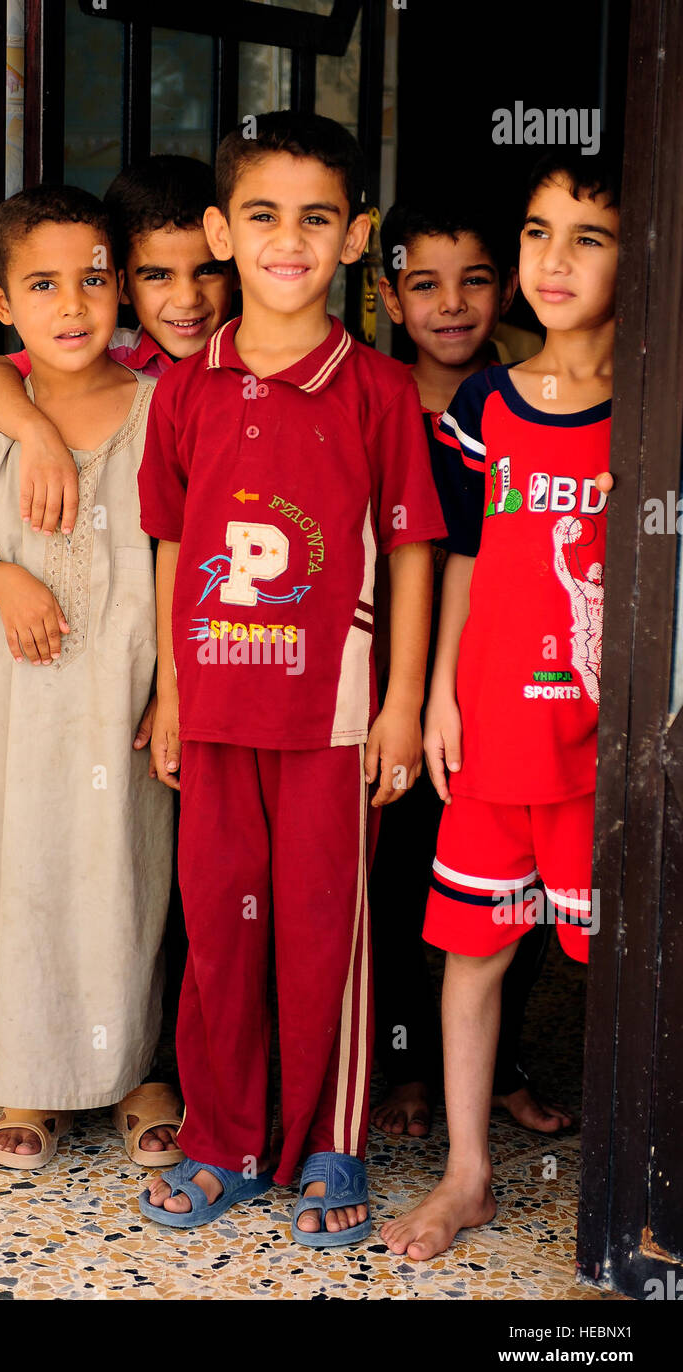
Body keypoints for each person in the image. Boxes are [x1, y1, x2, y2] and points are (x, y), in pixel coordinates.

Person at [136, 111, 445, 1247]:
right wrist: (172, 687)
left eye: (318, 216)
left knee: (326, 925)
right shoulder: (187, 387)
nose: (289, 239)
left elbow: (412, 548)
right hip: (214, 706)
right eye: (262, 214)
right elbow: (172, 543)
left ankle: (329, 1139)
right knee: (221, 921)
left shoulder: (376, 388)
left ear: (355, 236)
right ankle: (225, 1137)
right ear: (222, 230)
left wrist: (402, 701)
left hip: (334, 713)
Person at [381, 153, 619, 1260]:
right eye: (538, 232)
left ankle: (630, 1180)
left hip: (601, 750)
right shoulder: (488, 400)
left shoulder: (654, 404)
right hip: (490, 728)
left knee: (613, 962)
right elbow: (466, 553)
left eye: (588, 237)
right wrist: (437, 695)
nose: (553, 260)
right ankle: (469, 1175)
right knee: (473, 952)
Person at [0, 185, 175, 1170]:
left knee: (132, 880)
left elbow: (182, 558)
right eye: (43, 285)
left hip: (130, 705)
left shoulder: (160, 411)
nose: (72, 305)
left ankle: (138, 1074)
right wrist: (8, 580)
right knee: (33, 876)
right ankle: (30, 1072)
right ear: (1, 301)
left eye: (93, 280)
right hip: (30, 712)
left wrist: (175, 688)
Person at [370, 203, 571, 1141]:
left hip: (497, 693)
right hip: (384, 680)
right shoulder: (368, 391)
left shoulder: (528, 394)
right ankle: (407, 1062)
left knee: (509, 893)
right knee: (406, 873)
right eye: (424, 284)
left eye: (476, 280)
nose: (452, 305)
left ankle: (502, 1064)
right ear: (386, 295)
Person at [0, 156, 235, 538]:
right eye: (156, 275)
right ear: (123, 285)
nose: (187, 298)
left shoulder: (252, 370)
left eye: (207, 270)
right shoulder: (108, 354)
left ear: (236, 271)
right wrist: (36, 432)